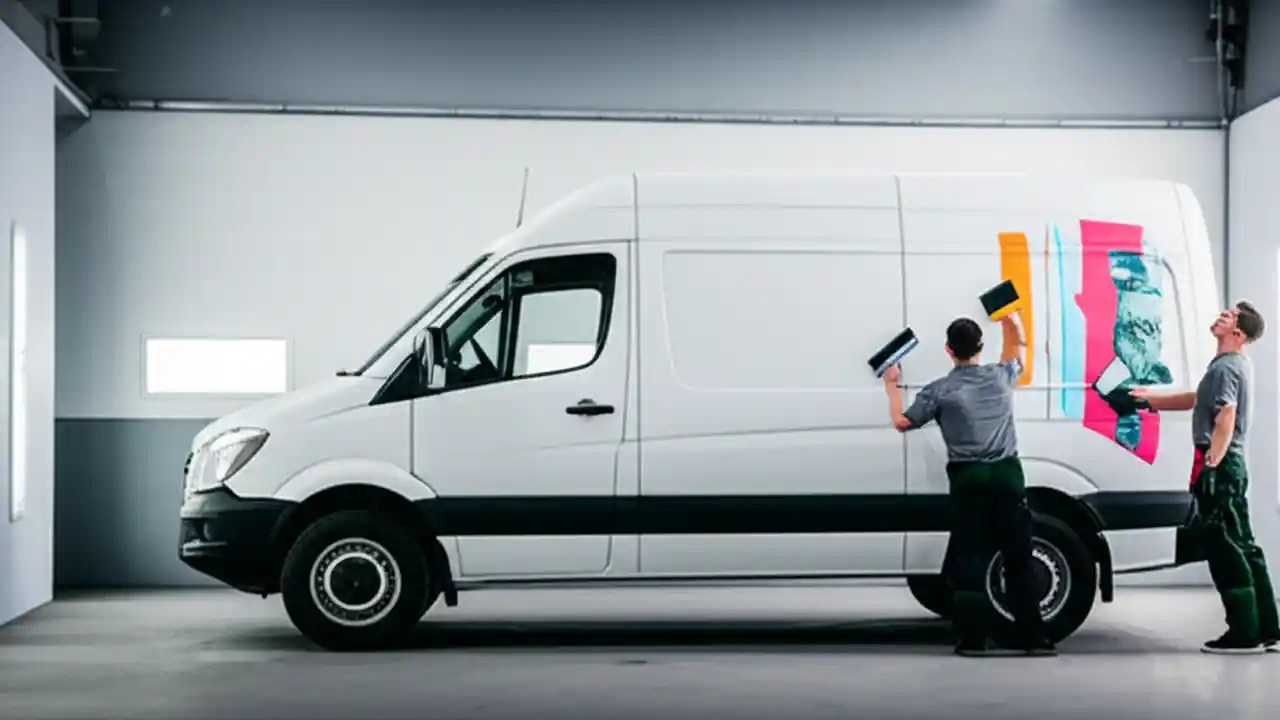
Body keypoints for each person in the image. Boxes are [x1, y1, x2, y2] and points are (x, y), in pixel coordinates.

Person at [882, 311, 1055, 657]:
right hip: (1008, 481)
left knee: (970, 560)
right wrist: (1011, 319)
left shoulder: (940, 390)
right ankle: (1035, 640)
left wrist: (891, 385)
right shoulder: (1001, 376)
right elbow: (1018, 344)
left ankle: (974, 641)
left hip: (968, 483)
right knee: (1018, 561)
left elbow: (902, 422)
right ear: (981, 346)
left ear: (948, 350)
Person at [1132, 301, 1279, 654]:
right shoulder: (1232, 365)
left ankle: (1243, 633)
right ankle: (1268, 628)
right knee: (1244, 543)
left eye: (1228, 317)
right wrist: (1150, 401)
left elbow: (1226, 413)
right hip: (1229, 465)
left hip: (1220, 465)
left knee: (1224, 546)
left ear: (1239, 334)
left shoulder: (1227, 367)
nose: (1220, 317)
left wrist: (1213, 457)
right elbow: (1196, 400)